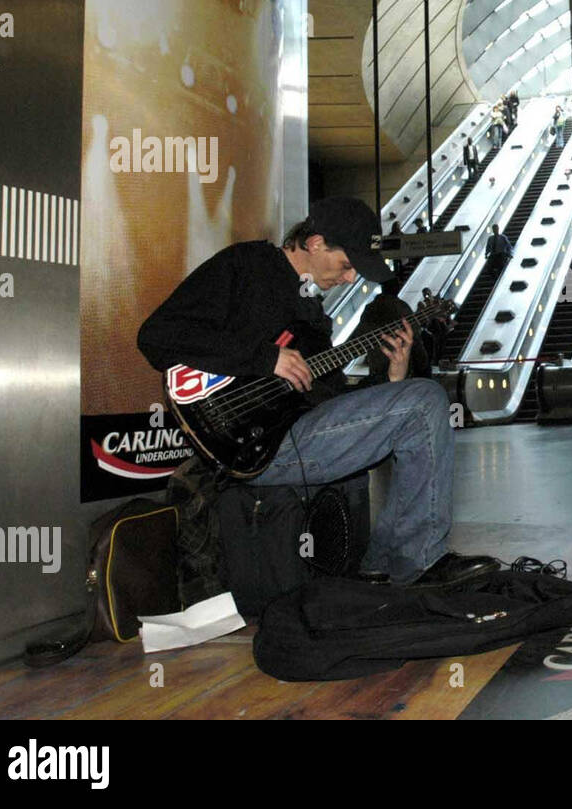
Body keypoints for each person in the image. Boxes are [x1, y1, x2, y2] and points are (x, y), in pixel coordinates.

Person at [136, 196, 497, 586]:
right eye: (346, 265)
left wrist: (393, 378)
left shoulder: (311, 316)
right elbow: (156, 337)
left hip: (296, 435)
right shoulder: (245, 266)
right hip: (240, 439)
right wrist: (266, 359)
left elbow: (332, 403)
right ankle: (418, 562)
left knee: (418, 398)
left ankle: (381, 564)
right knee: (427, 399)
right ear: (315, 243)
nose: (348, 279)